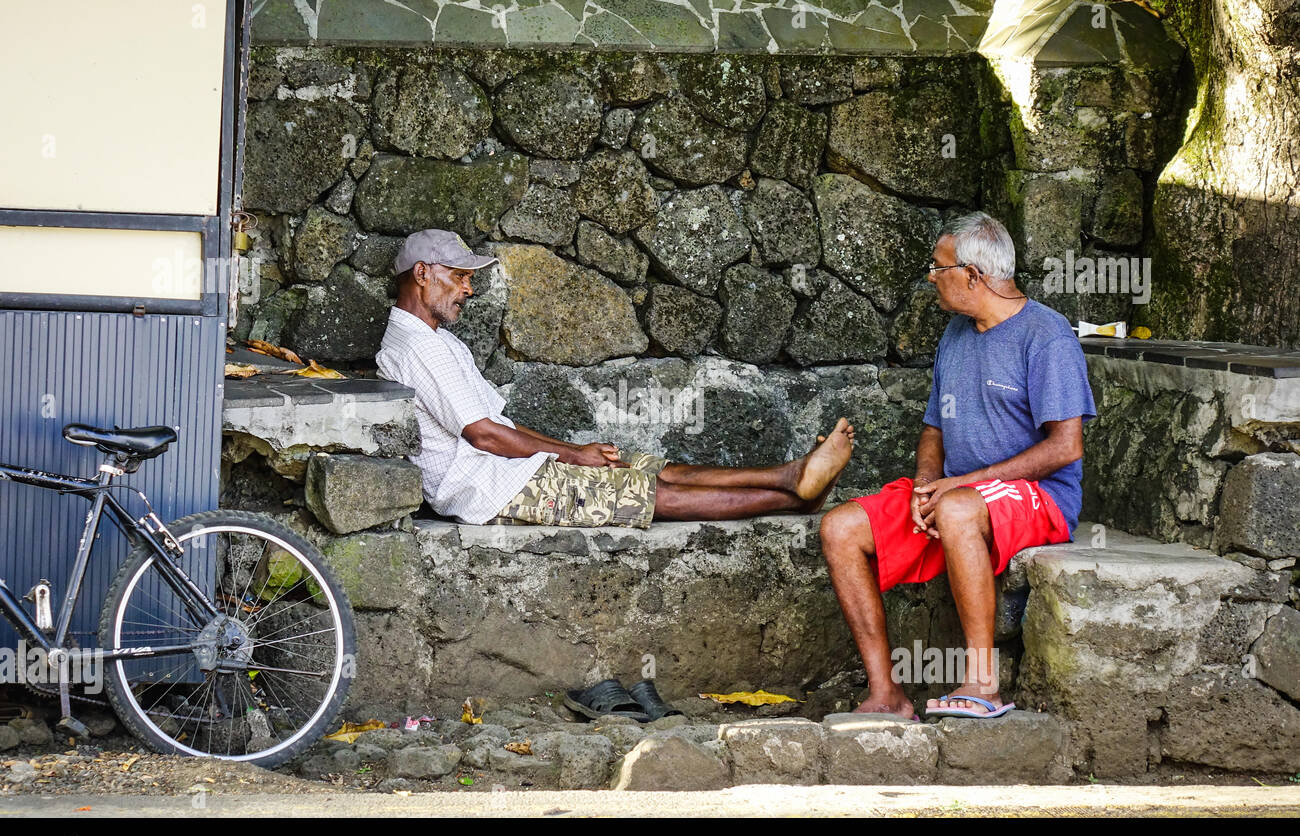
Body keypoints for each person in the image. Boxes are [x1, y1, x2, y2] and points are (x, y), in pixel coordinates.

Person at [375, 229, 855, 530]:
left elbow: (497, 425)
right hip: (486, 489)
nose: (468, 288)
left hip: (504, 470)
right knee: (650, 494)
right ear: (422, 273)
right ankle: (794, 499)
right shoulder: (417, 345)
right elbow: (481, 434)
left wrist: (564, 451)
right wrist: (570, 455)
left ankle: (790, 477)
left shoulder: (436, 340)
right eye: (459, 276)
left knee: (650, 467)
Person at [818, 212, 1096, 720]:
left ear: (972, 275)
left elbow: (1065, 448)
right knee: (839, 528)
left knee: (960, 510)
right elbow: (933, 431)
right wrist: (927, 485)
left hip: (1039, 499)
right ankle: (888, 694)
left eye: (939, 267)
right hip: (957, 493)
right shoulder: (956, 334)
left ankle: (983, 684)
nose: (931, 276)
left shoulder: (1047, 335)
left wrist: (961, 485)